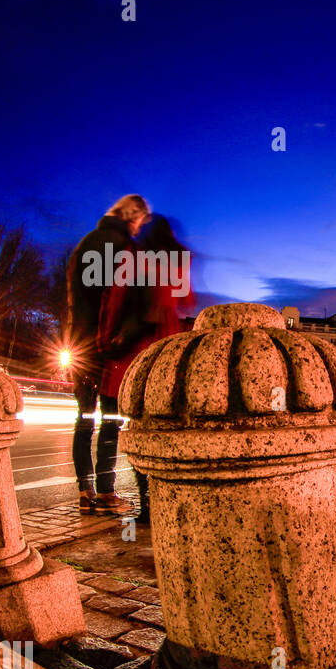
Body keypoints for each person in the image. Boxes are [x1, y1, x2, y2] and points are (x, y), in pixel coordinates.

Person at [98, 211, 188, 525]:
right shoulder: (174, 265)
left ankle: (148, 506)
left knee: (131, 427)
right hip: (162, 353)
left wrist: (109, 340)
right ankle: (161, 501)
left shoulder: (139, 262)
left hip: (134, 353)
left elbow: (119, 303)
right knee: (155, 429)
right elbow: (182, 300)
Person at [67, 195, 149, 517]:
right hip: (108, 346)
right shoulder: (123, 247)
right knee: (111, 421)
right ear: (134, 217)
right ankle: (105, 492)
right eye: (141, 221)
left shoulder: (85, 243)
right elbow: (121, 301)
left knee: (84, 420)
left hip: (79, 343)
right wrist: (127, 336)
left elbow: (77, 300)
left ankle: (84, 492)